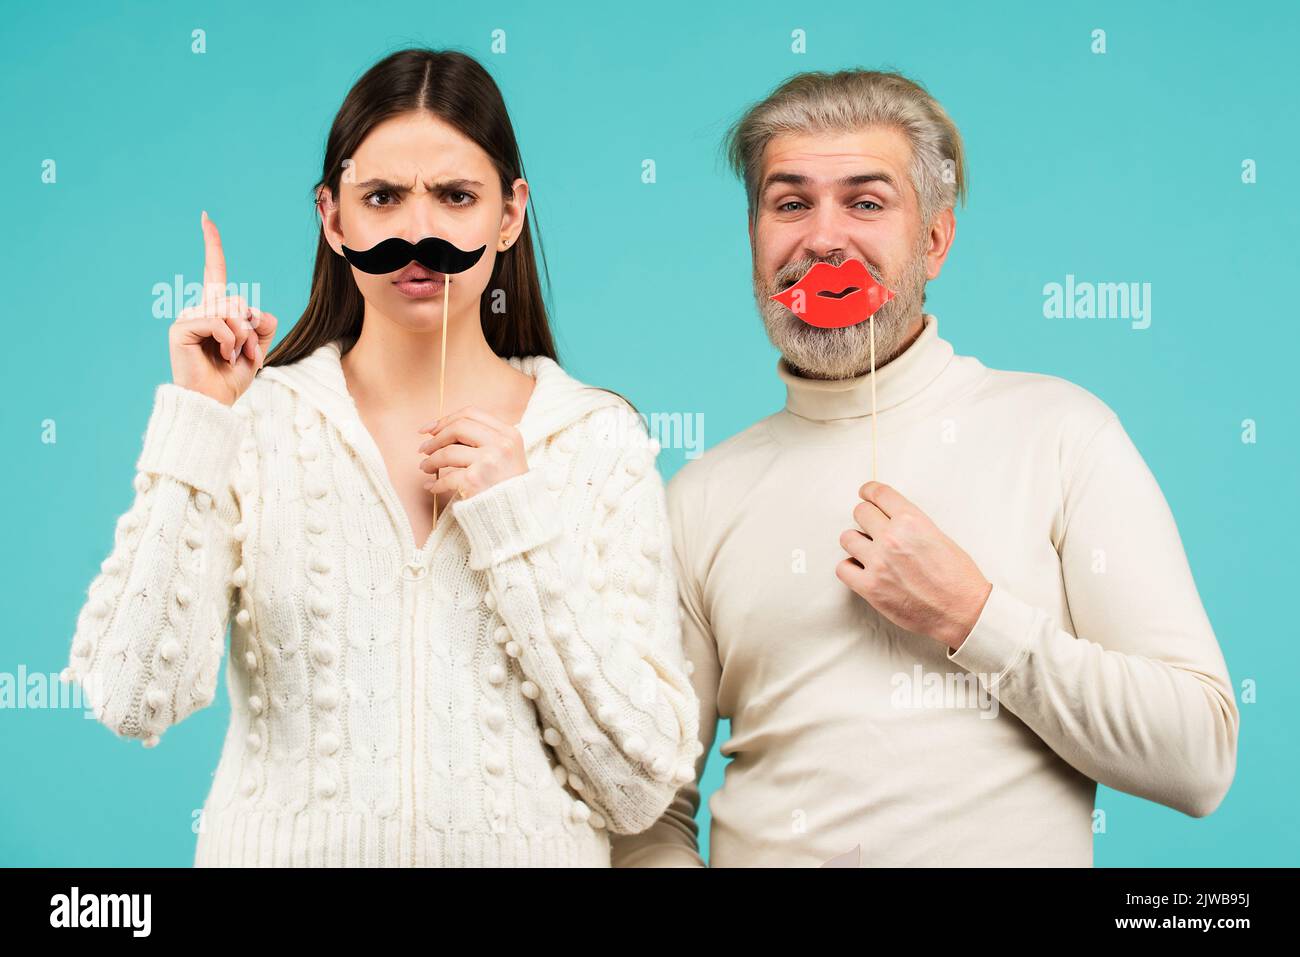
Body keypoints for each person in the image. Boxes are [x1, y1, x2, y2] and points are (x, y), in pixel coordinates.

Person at [63, 47, 700, 867]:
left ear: (508, 216)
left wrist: (516, 519)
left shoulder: (595, 438)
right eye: (383, 198)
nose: (418, 233)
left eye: (456, 197)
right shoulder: (253, 421)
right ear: (334, 219)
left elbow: (640, 784)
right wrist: (198, 420)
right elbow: (129, 694)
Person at [611, 69, 1238, 867]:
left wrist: (972, 616)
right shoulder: (696, 498)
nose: (824, 239)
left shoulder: (1064, 433)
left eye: (866, 203)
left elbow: (1201, 759)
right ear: (755, 235)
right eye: (790, 202)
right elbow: (646, 809)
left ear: (935, 239)